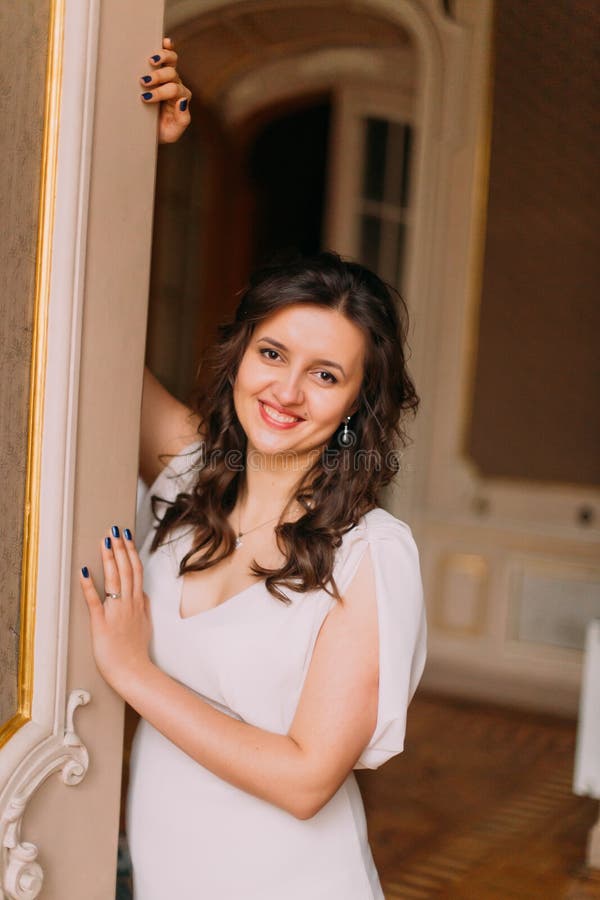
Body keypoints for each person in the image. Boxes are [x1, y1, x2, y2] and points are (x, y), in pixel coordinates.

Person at [79, 38, 427, 900]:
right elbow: (82, 317)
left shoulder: (370, 553)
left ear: (356, 404)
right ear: (239, 354)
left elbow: (307, 780)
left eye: (326, 374)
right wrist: (140, 152)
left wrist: (133, 674)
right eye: (272, 352)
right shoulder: (187, 476)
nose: (287, 390)